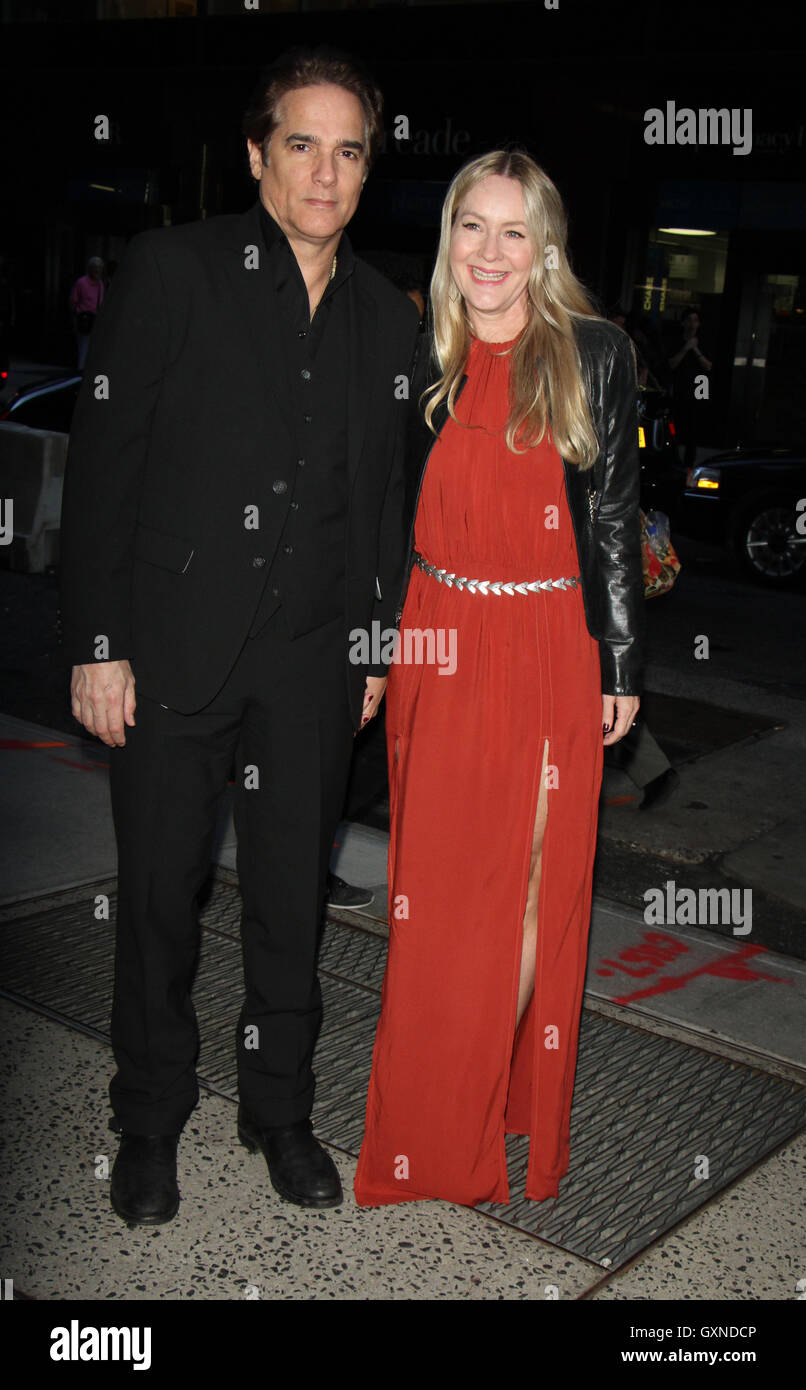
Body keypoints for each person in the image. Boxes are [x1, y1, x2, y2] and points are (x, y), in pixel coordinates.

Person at [59, 46, 419, 1226]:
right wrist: (98, 640)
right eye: (302, 144)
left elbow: (384, 505)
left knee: (287, 904)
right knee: (160, 897)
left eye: (349, 148)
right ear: (259, 152)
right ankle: (149, 1118)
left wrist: (372, 645)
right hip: (169, 651)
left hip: (314, 664)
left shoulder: (384, 315)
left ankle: (280, 1111)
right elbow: (105, 466)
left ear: (369, 168)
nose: (325, 171)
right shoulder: (173, 270)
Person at [353, 150, 644, 1208]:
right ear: (447, 237)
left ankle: (466, 1096)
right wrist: (375, 644)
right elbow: (378, 515)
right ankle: (440, 1095)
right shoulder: (414, 347)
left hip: (546, 647)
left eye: (511, 231)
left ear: (544, 246)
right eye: (469, 226)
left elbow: (611, 516)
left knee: (524, 884)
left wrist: (619, 660)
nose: (487, 251)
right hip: (437, 635)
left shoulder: (594, 354)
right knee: (433, 898)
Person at [667, 306, 713, 468]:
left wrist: (695, 349)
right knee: (677, 427)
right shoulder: (676, 341)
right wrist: (686, 348)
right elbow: (671, 364)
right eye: (689, 320)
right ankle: (676, 462)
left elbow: (708, 366)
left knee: (694, 428)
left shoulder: (704, 341)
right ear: (683, 323)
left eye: (695, 321)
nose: (692, 324)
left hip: (700, 388)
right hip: (680, 389)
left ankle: (689, 464)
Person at [68, 255, 105, 370]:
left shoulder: (100, 285)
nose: (97, 270)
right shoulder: (81, 283)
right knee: (83, 349)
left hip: (95, 320)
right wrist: (75, 318)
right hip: (83, 319)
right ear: (90, 268)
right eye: (95, 267)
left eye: (99, 268)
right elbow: (73, 302)